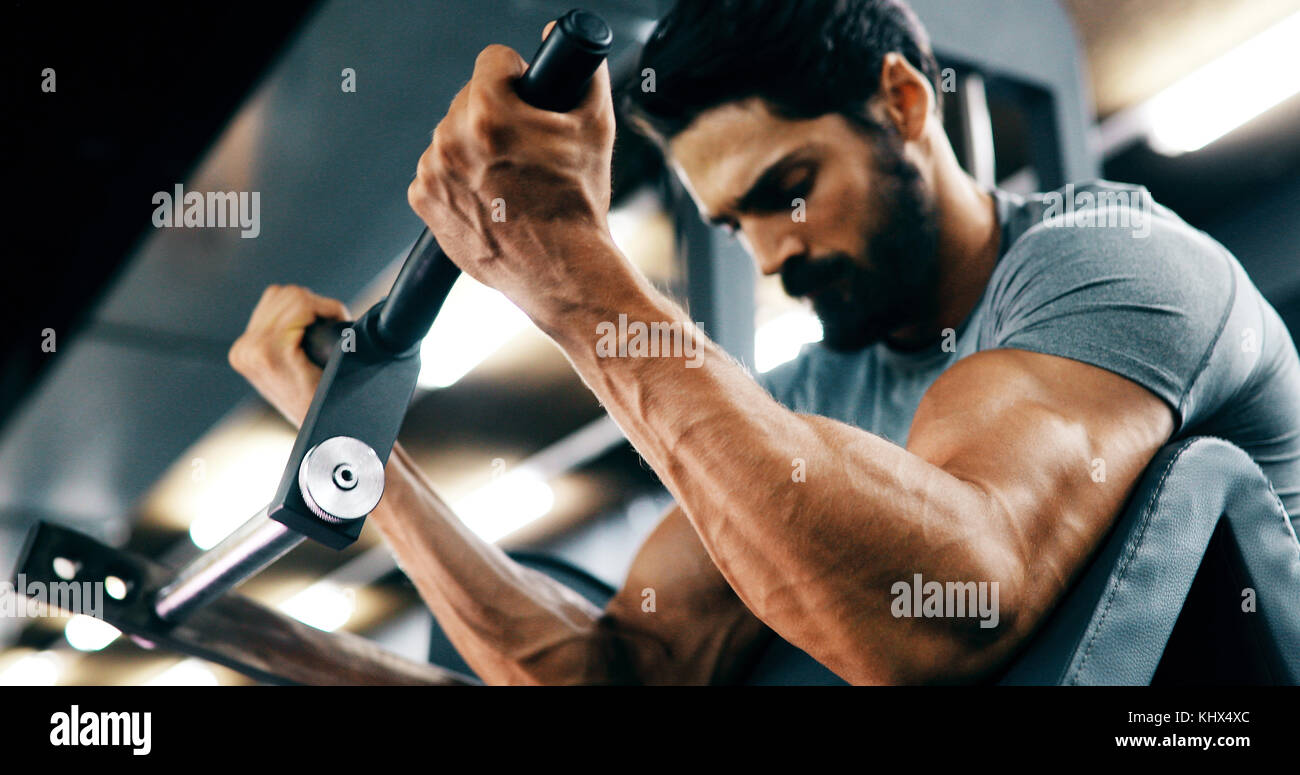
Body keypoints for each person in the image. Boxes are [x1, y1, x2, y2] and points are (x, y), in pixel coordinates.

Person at [228, 0, 1300, 684]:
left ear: (902, 101)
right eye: (736, 224)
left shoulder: (1111, 262)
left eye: (787, 191)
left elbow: (944, 613)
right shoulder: (812, 394)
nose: (772, 256)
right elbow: (615, 676)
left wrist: (571, 270)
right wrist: (361, 463)